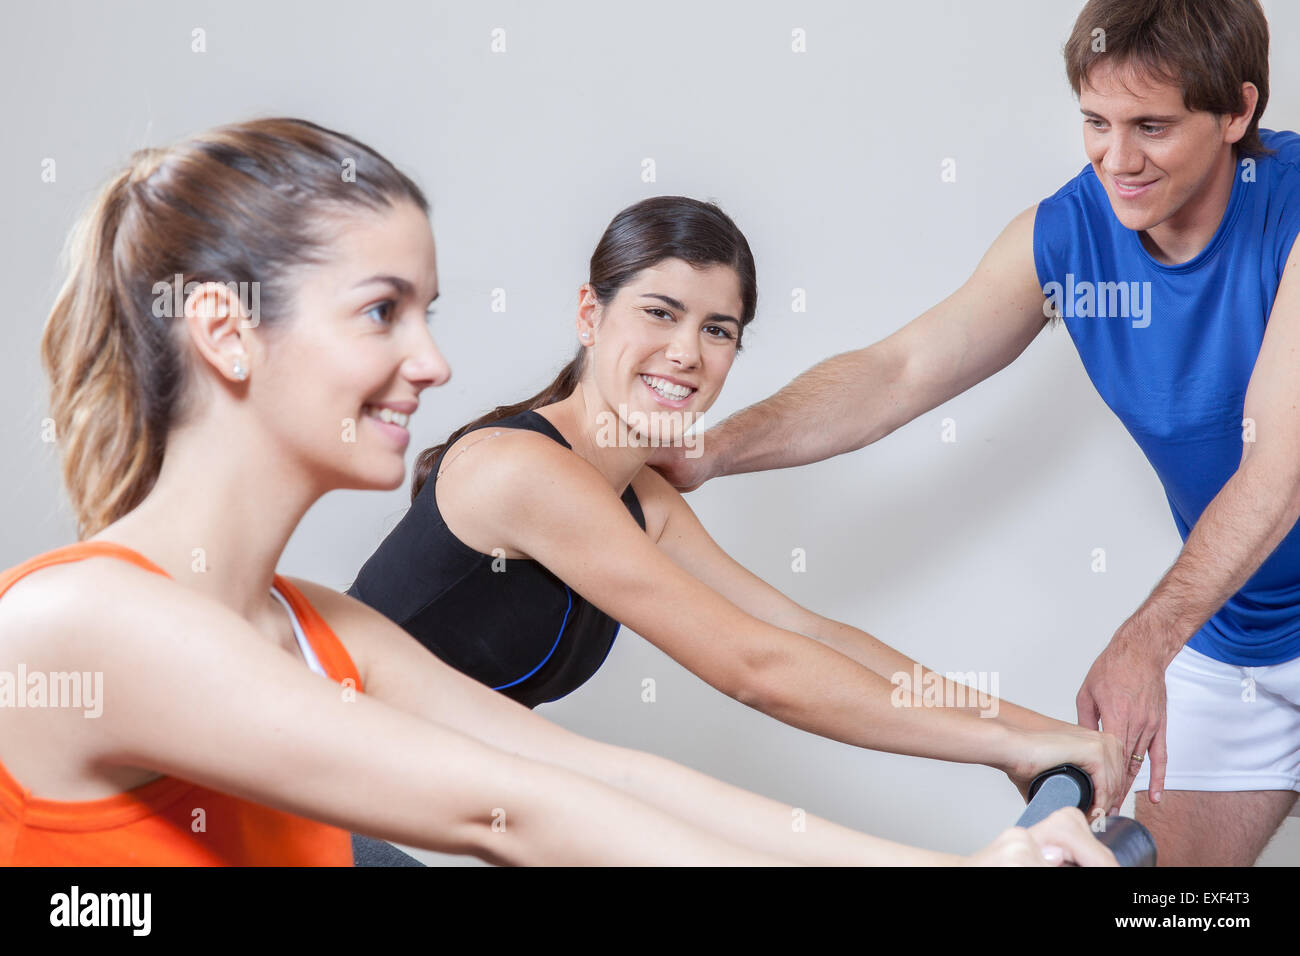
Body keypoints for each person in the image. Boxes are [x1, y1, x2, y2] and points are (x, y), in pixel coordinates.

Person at [0, 116, 1113, 867]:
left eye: (718, 327)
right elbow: (512, 805)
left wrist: (976, 832)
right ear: (227, 332)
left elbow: (585, 765)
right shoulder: (89, 621)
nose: (436, 363)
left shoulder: (315, 624)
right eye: (384, 311)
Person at [649, 0, 1300, 866]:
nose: (1117, 159)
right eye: (1096, 123)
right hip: (1236, 630)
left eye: (1152, 126)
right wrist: (711, 449)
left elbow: (1278, 471)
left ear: (1238, 113)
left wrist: (1144, 642)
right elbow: (901, 371)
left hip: (1187, 624)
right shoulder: (1068, 236)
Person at [347, 194, 1125, 825]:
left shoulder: (638, 497)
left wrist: (1035, 732)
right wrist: (1004, 752)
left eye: (717, 329)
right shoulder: (520, 471)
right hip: (284, 790)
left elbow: (806, 633)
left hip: (373, 805)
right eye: (660, 312)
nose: (687, 352)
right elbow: (757, 670)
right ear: (590, 314)